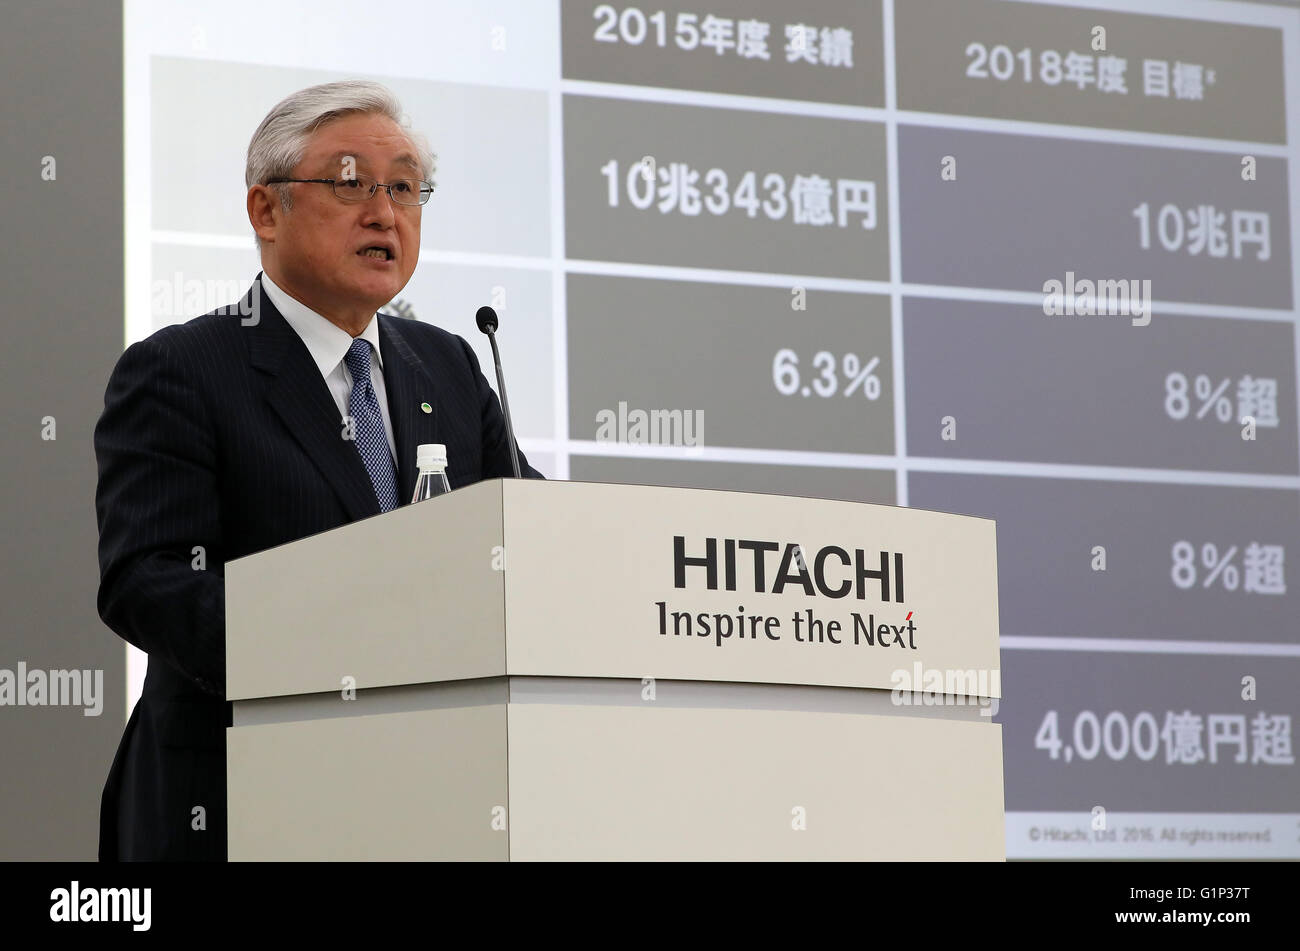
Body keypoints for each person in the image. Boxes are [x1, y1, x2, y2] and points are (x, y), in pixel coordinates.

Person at [94, 80, 542, 861]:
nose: (384, 213)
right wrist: (355, 649)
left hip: (431, 795)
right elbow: (148, 582)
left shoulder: (450, 364)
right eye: (349, 183)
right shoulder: (181, 370)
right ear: (266, 211)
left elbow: (529, 538)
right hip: (234, 799)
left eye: (404, 187)